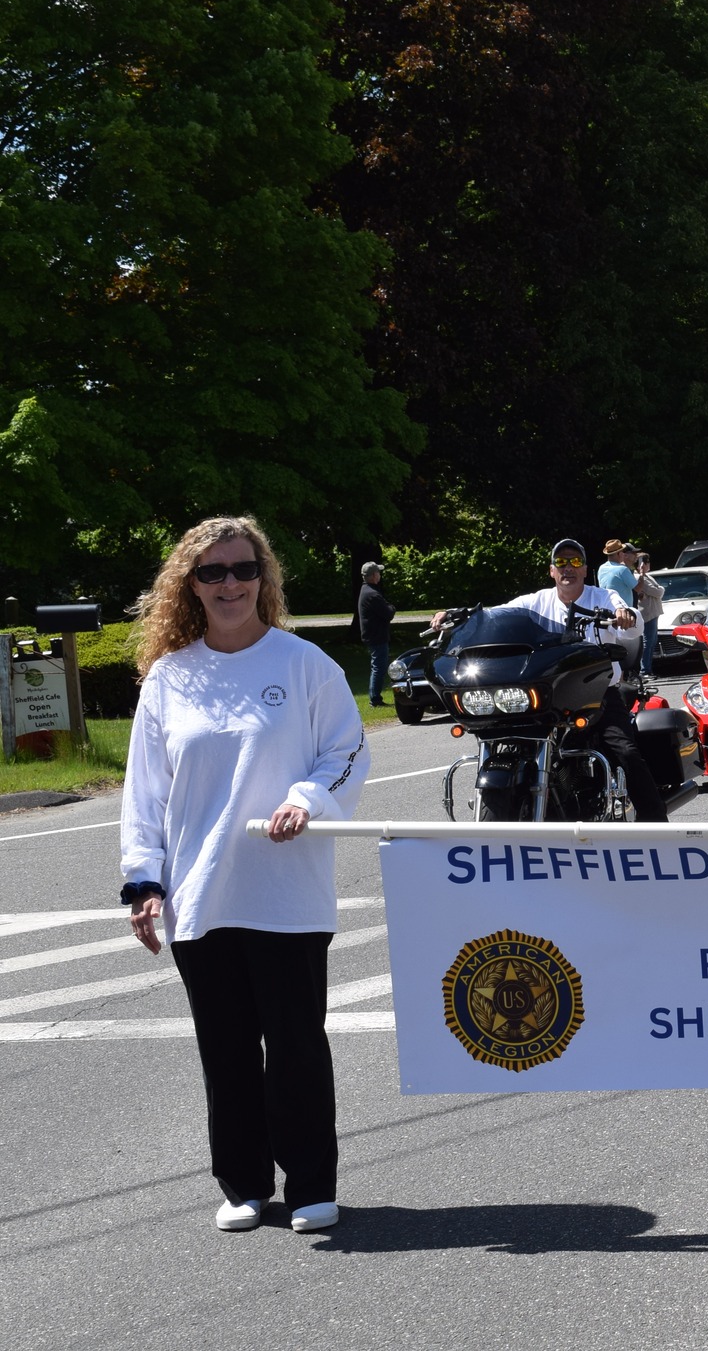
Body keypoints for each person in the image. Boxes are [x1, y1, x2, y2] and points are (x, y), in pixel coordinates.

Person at [121, 515, 368, 1235]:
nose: (230, 583)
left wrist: (306, 798)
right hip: (201, 895)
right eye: (212, 572)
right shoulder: (170, 678)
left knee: (295, 1044)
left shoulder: (304, 665)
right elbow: (146, 791)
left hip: (287, 892)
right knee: (225, 1050)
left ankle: (312, 1182)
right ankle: (244, 1183)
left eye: (242, 569)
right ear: (190, 586)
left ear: (264, 577)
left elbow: (346, 752)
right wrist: (144, 881)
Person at [436, 539, 664, 822]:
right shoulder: (534, 602)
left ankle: (655, 825)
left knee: (626, 752)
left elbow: (632, 625)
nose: (568, 568)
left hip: (597, 694)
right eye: (561, 562)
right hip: (551, 697)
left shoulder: (604, 598)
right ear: (552, 571)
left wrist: (625, 616)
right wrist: (458, 616)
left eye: (575, 562)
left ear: (585, 569)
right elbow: (494, 614)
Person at [356, 561, 393, 707]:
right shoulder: (372, 594)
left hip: (372, 635)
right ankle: (375, 699)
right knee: (379, 667)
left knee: (378, 665)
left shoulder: (366, 590)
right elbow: (388, 613)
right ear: (373, 576)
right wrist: (392, 607)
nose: (380, 574)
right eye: (378, 572)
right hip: (377, 636)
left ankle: (375, 697)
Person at [632, 549, 664, 679]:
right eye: (646, 562)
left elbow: (657, 590)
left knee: (651, 641)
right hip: (647, 613)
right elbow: (658, 592)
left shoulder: (647, 576)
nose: (648, 564)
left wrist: (658, 590)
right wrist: (659, 589)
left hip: (652, 612)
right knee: (647, 641)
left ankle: (648, 669)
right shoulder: (639, 577)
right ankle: (644, 670)